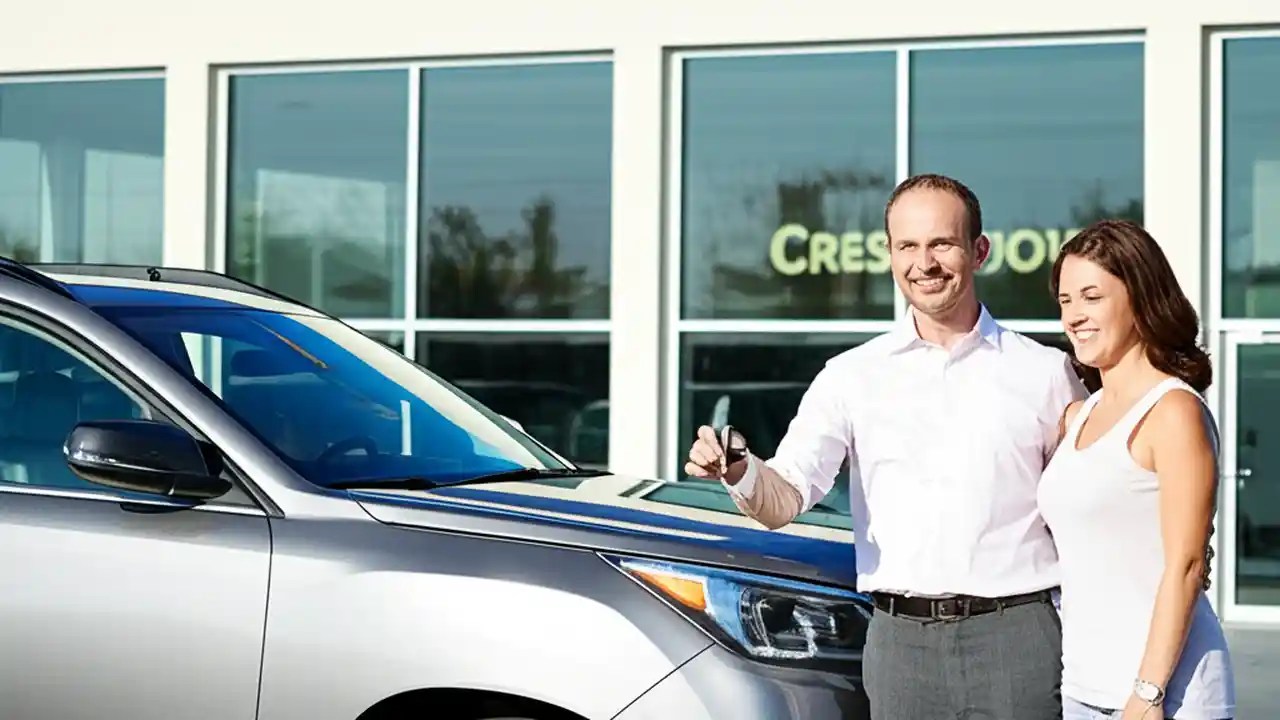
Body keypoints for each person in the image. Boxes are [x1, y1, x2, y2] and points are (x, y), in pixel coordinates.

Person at [685, 173, 1088, 720]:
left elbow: (1090, 508)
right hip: (902, 649)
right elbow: (785, 499)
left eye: (941, 243)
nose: (924, 263)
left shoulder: (1046, 374)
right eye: (907, 246)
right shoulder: (850, 377)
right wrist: (739, 472)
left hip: (1019, 640)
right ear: (891, 254)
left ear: (979, 250)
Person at [1039, 219, 1235, 720]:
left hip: (1168, 695)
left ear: (1140, 299)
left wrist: (1147, 694)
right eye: (1065, 301)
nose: (1074, 316)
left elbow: (1188, 566)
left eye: (1091, 297)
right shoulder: (1082, 412)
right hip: (1083, 689)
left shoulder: (1173, 411)